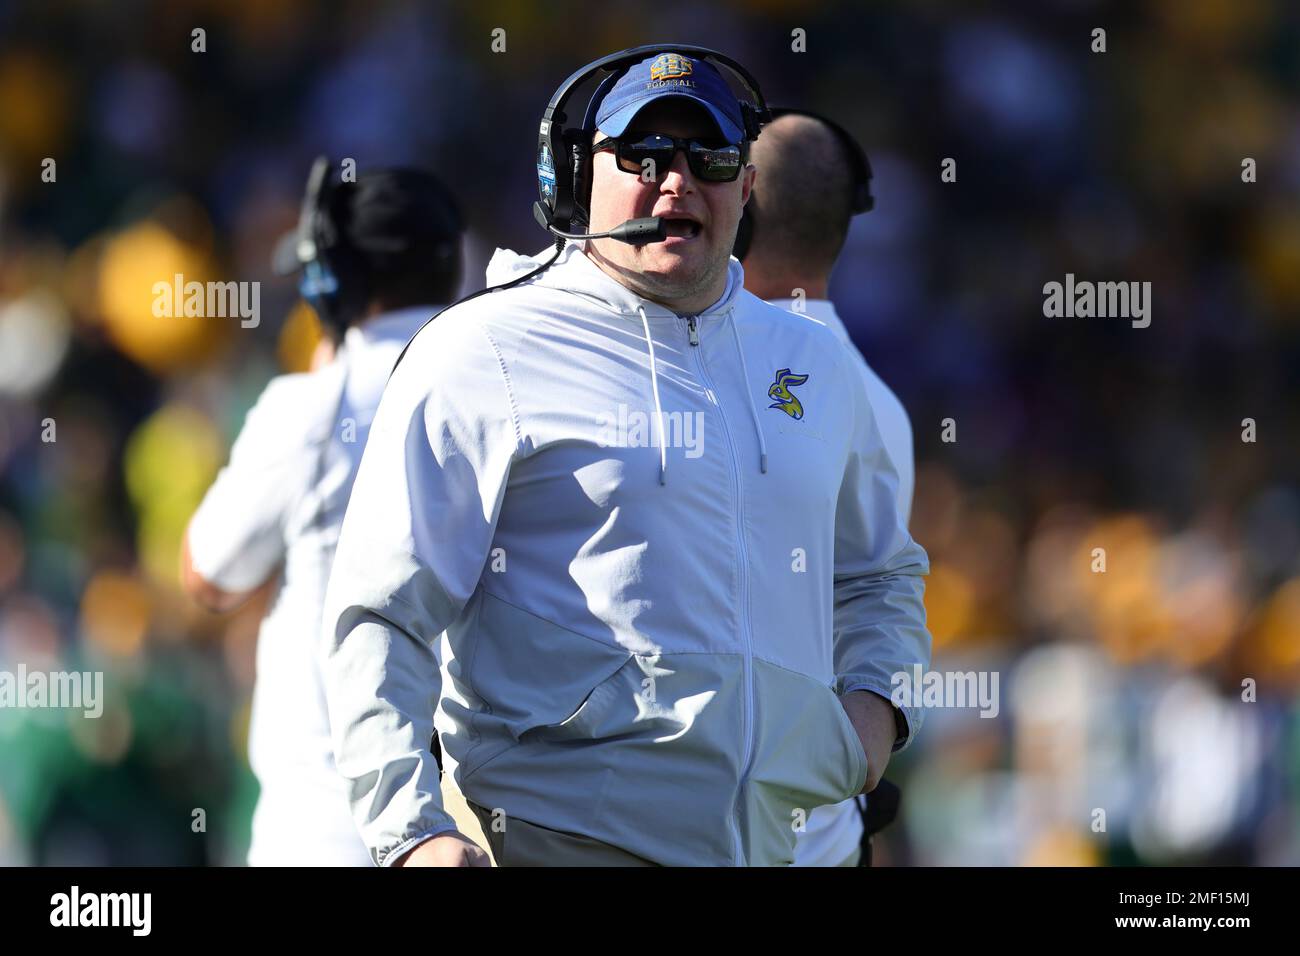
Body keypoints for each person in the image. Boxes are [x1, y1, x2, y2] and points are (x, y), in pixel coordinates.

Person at [321, 46, 931, 867]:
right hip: (557, 842)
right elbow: (382, 612)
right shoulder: (482, 351)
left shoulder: (811, 361)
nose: (675, 180)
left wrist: (870, 722)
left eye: (708, 156)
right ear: (574, 181)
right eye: (643, 154)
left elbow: (879, 573)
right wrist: (412, 833)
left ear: (745, 187)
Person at [179, 160, 465, 866]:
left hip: (324, 829)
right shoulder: (507, 389)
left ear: (333, 282)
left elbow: (206, 575)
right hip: (474, 827)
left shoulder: (309, 408)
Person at [740, 108, 921, 866]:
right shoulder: (883, 404)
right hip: (821, 831)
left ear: (738, 206)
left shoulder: (704, 371)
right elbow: (879, 606)